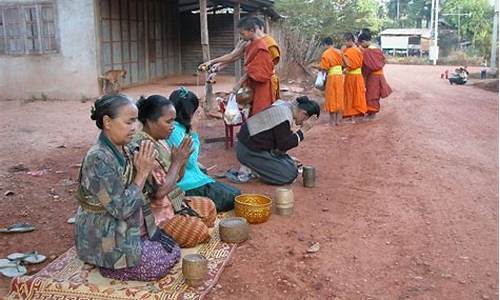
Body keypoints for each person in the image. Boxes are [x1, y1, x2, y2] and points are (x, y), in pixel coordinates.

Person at [75, 94, 180, 281]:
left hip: (129, 228)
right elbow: (121, 209)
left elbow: (152, 192)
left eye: (135, 122)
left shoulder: (127, 147)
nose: (134, 128)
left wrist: (151, 169)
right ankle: (108, 265)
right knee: (156, 265)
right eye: (128, 122)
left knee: (172, 246)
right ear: (107, 122)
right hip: (106, 235)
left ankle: (136, 250)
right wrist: (141, 174)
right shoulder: (98, 158)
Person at [133, 95, 217, 248]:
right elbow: (159, 193)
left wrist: (182, 161)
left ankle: (185, 221)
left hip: (174, 203)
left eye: (173, 121)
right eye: (168, 121)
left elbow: (177, 179)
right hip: (156, 215)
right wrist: (177, 162)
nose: (172, 126)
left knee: (210, 207)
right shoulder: (144, 146)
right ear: (150, 121)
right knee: (199, 231)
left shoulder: (160, 141)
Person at [166, 87, 241, 212]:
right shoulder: (174, 131)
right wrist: (194, 132)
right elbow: (190, 160)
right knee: (235, 196)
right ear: (188, 113)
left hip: (189, 179)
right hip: (187, 185)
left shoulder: (178, 127)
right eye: (196, 110)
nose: (199, 113)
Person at [235, 96, 320, 185]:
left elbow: (280, 142)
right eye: (306, 120)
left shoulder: (285, 106)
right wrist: (303, 130)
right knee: (289, 174)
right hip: (248, 150)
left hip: (253, 145)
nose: (303, 123)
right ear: (304, 113)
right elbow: (284, 145)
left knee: (291, 163)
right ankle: (252, 169)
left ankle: (257, 167)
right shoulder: (283, 116)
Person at [199, 16, 281, 100]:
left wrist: (239, 83)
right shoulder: (248, 40)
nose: (241, 37)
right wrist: (216, 65)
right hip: (250, 81)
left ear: (254, 29)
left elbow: (257, 69)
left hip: (263, 82)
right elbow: (233, 56)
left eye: (242, 33)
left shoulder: (268, 45)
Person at [357, 29, 392, 120]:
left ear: (364, 41)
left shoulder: (368, 51)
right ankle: (371, 113)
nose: (361, 46)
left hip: (373, 75)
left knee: (372, 94)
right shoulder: (377, 49)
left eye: (361, 44)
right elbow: (383, 60)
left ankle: (372, 114)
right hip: (379, 74)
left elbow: (367, 65)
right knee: (373, 94)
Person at [342, 32, 367, 122]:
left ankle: (351, 116)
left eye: (345, 41)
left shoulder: (349, 51)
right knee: (358, 94)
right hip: (358, 75)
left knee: (350, 95)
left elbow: (347, 64)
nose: (344, 44)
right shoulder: (358, 50)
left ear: (350, 41)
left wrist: (342, 55)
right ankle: (358, 114)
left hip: (351, 76)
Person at [319, 37, 344, 126]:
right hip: (340, 76)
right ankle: (338, 120)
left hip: (332, 76)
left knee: (331, 96)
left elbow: (324, 68)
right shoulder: (340, 52)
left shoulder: (325, 53)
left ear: (325, 44)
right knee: (339, 95)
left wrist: (323, 78)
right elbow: (344, 64)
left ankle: (332, 121)